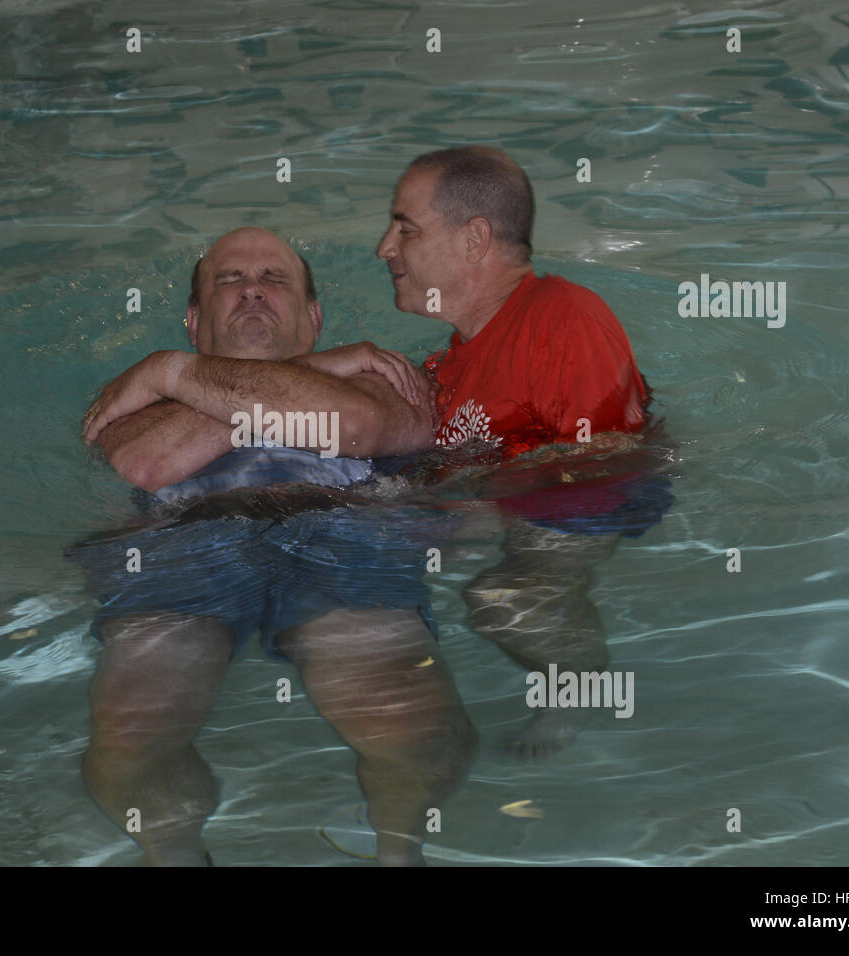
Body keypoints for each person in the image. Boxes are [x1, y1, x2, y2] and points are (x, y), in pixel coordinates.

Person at [87, 147, 673, 757]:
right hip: (504, 502)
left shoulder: (559, 316)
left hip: (579, 503)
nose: (384, 248)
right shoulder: (447, 365)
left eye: (406, 229)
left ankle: (582, 689)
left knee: (504, 601)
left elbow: (605, 458)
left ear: (474, 240)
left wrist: (485, 510)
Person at [73, 226, 477, 866]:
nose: (253, 292)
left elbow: (363, 423)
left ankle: (400, 854)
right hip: (187, 546)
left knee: (414, 728)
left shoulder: (379, 380)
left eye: (275, 279)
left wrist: (176, 379)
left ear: (313, 318)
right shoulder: (133, 407)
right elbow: (147, 462)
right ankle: (173, 853)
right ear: (194, 320)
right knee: (128, 739)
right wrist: (293, 376)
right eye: (229, 281)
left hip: (339, 534)